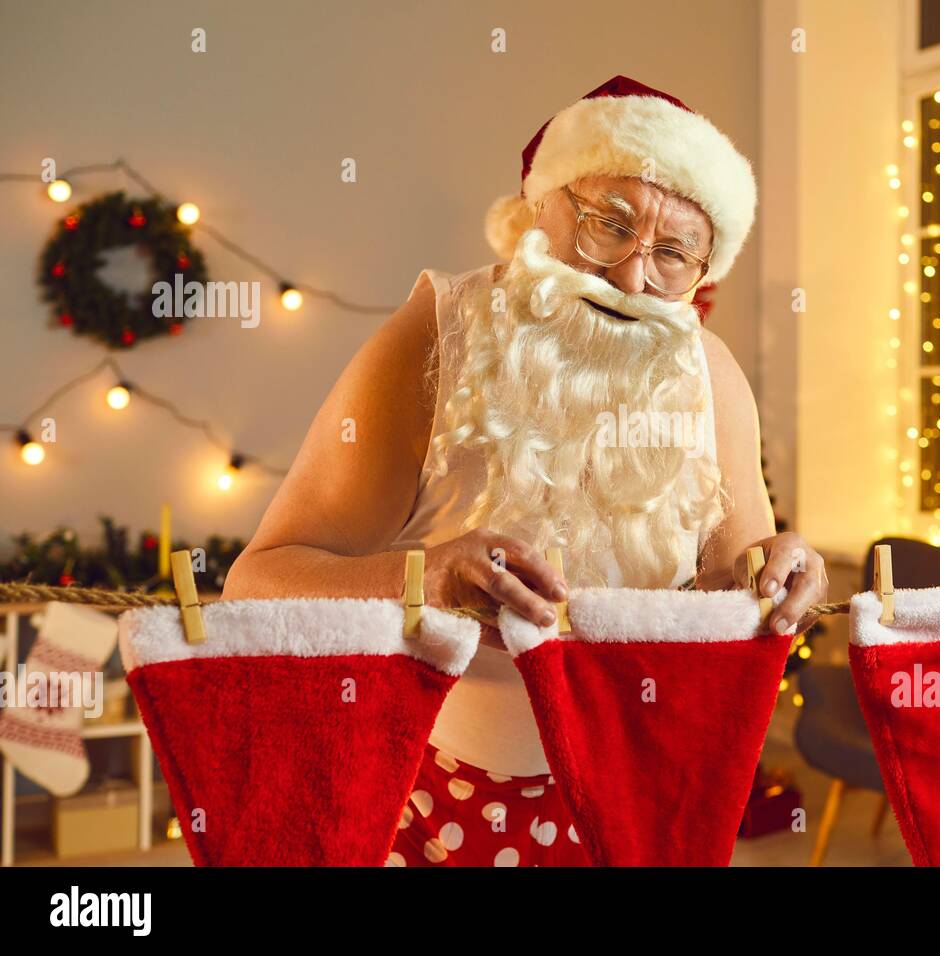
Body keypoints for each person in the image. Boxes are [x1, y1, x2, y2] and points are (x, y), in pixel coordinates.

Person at [222, 75, 828, 866]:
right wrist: (425, 580)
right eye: (609, 223)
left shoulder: (711, 374)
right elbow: (257, 581)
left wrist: (786, 567)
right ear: (539, 206)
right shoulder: (435, 332)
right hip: (424, 797)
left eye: (674, 252)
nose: (632, 278)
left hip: (638, 796)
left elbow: (737, 584)